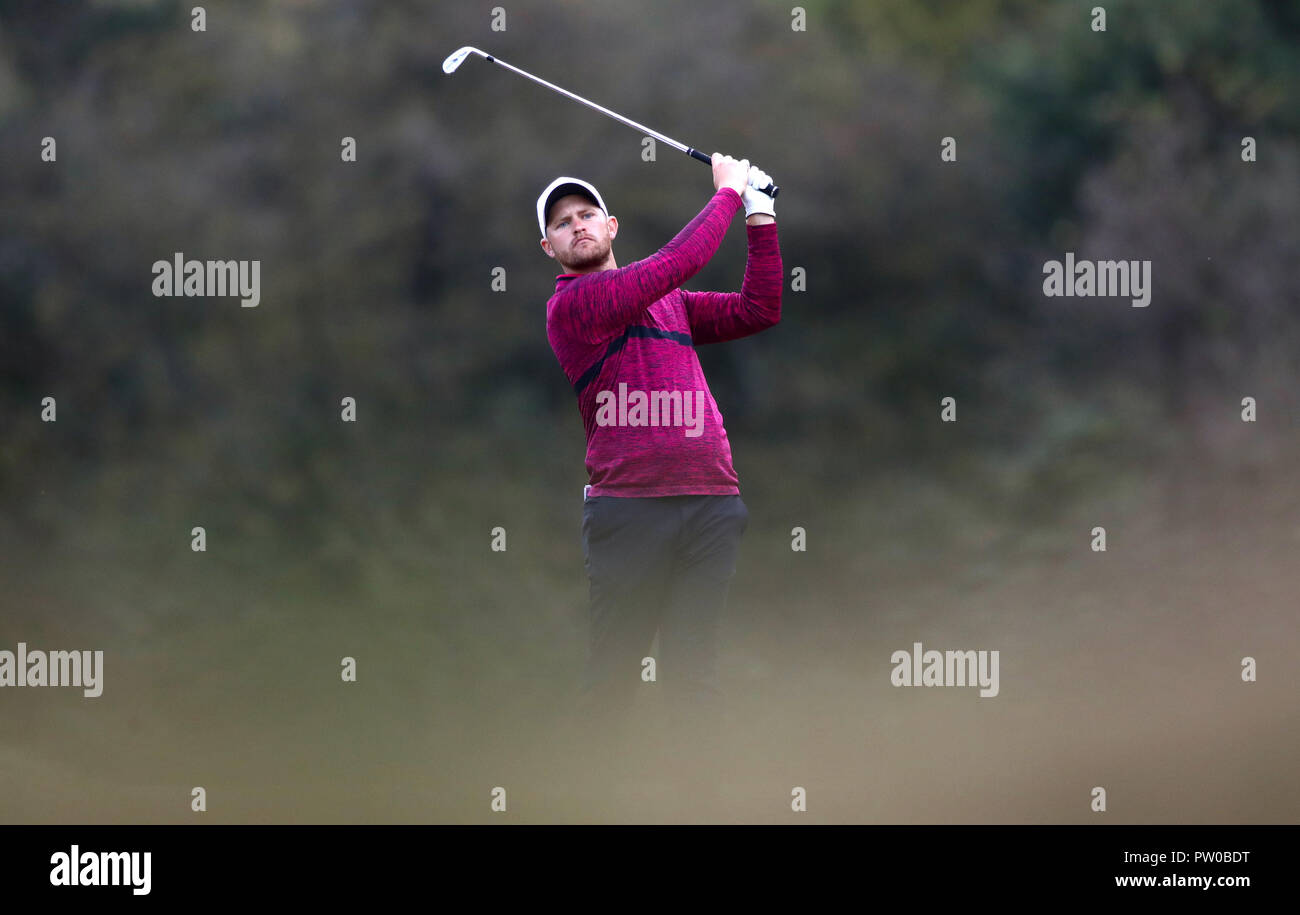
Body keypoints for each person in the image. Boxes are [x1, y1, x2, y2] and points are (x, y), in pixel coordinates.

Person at [539, 154, 782, 817]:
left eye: (587, 214)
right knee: (612, 678)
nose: (578, 226)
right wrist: (729, 194)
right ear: (550, 249)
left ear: (612, 225)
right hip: (629, 514)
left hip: (711, 504)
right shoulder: (577, 306)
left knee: (693, 677)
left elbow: (760, 308)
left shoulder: (665, 301)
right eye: (563, 224)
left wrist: (761, 216)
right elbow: (675, 261)